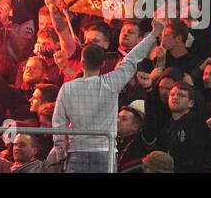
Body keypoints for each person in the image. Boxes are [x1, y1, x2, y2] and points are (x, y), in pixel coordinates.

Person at [51, 18, 164, 172]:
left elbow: (58, 123)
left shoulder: (67, 88)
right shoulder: (110, 83)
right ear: (103, 63)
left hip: (77, 152)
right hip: (105, 152)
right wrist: (154, 33)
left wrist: (60, 151)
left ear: (82, 63)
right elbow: (132, 59)